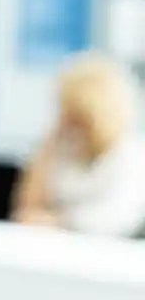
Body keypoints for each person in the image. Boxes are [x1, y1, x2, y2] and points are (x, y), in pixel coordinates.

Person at [12, 53, 145, 236]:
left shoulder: (130, 154)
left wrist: (58, 222)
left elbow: (117, 218)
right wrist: (48, 147)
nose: (68, 123)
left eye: (77, 116)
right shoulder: (64, 147)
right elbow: (26, 209)